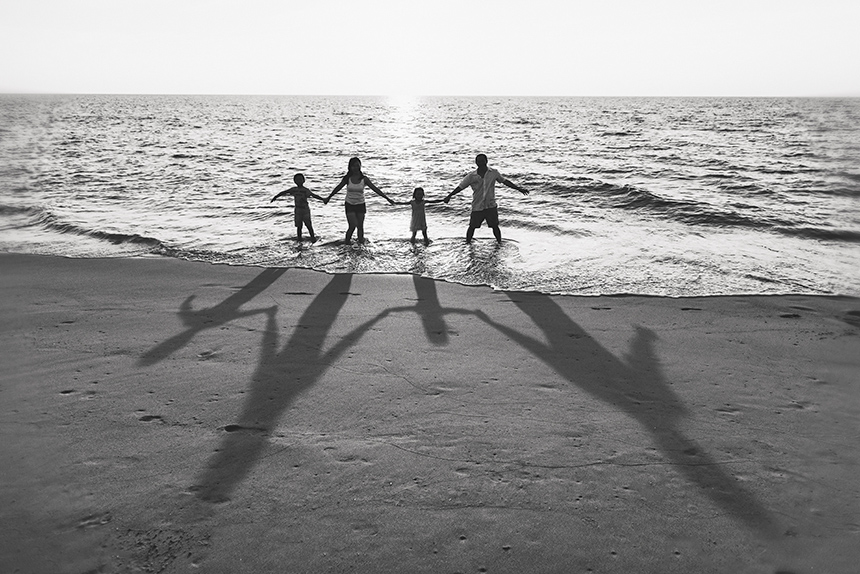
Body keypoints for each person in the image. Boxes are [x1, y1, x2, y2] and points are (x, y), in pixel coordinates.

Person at [444, 154, 529, 243]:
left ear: (486, 161)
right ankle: (467, 243)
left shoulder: (493, 173)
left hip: (490, 205)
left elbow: (505, 182)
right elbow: (460, 187)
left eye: (482, 161)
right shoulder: (471, 176)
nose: (480, 163)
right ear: (476, 163)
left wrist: (519, 189)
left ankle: (499, 243)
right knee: (472, 226)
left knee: (495, 226)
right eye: (478, 161)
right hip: (477, 205)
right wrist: (449, 196)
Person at [325, 157, 394, 244]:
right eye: (353, 166)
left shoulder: (364, 179)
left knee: (360, 227)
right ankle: (347, 243)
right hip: (349, 204)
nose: (355, 168)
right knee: (352, 225)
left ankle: (361, 244)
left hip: (360, 204)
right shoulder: (347, 178)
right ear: (350, 167)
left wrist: (387, 198)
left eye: (357, 166)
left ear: (360, 166)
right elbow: (338, 188)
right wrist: (329, 197)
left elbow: (375, 189)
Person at [270, 173, 325, 241]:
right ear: (294, 181)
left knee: (308, 225)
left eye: (300, 179)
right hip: (297, 210)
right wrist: (275, 197)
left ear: (303, 180)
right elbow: (284, 192)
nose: (299, 181)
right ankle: (299, 239)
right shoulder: (294, 189)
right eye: (297, 180)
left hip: (305, 210)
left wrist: (323, 199)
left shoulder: (305, 190)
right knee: (299, 226)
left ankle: (313, 238)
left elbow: (314, 195)